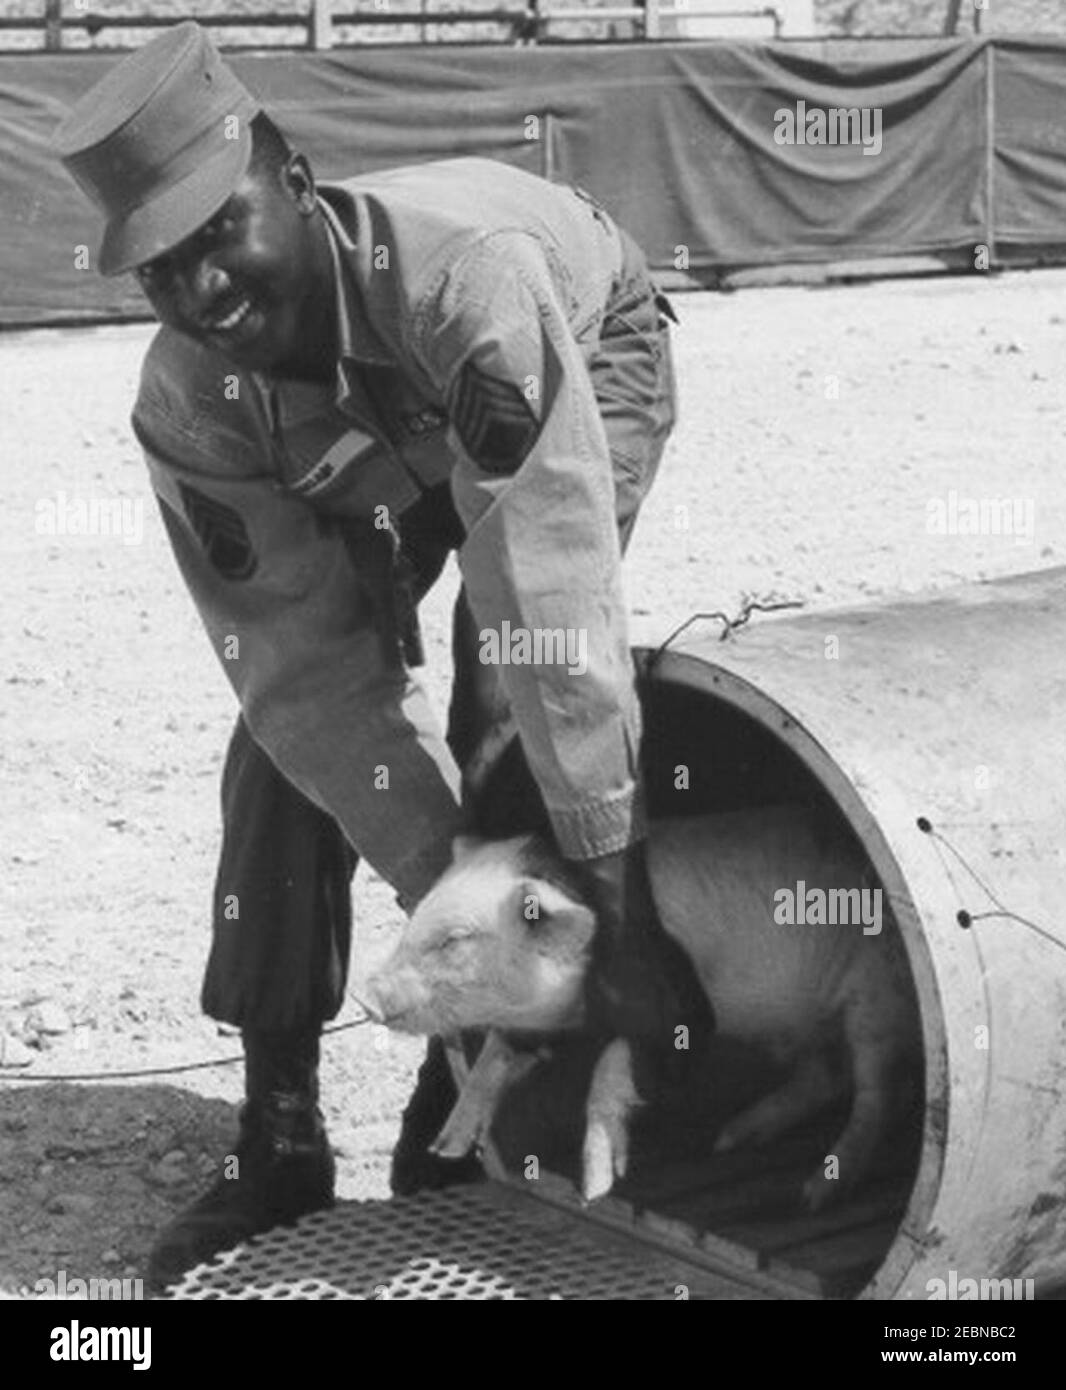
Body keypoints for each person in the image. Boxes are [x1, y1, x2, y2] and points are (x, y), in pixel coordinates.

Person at [52, 20, 712, 1291]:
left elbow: (550, 607)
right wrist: (441, 900)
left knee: (501, 690)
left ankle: (454, 1097)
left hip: (577, 333)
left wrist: (612, 917)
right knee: (282, 759)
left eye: (219, 233)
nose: (203, 291)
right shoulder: (193, 396)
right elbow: (304, 675)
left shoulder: (469, 281)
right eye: (161, 269)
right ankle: (282, 1133)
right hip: (363, 440)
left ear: (295, 185)